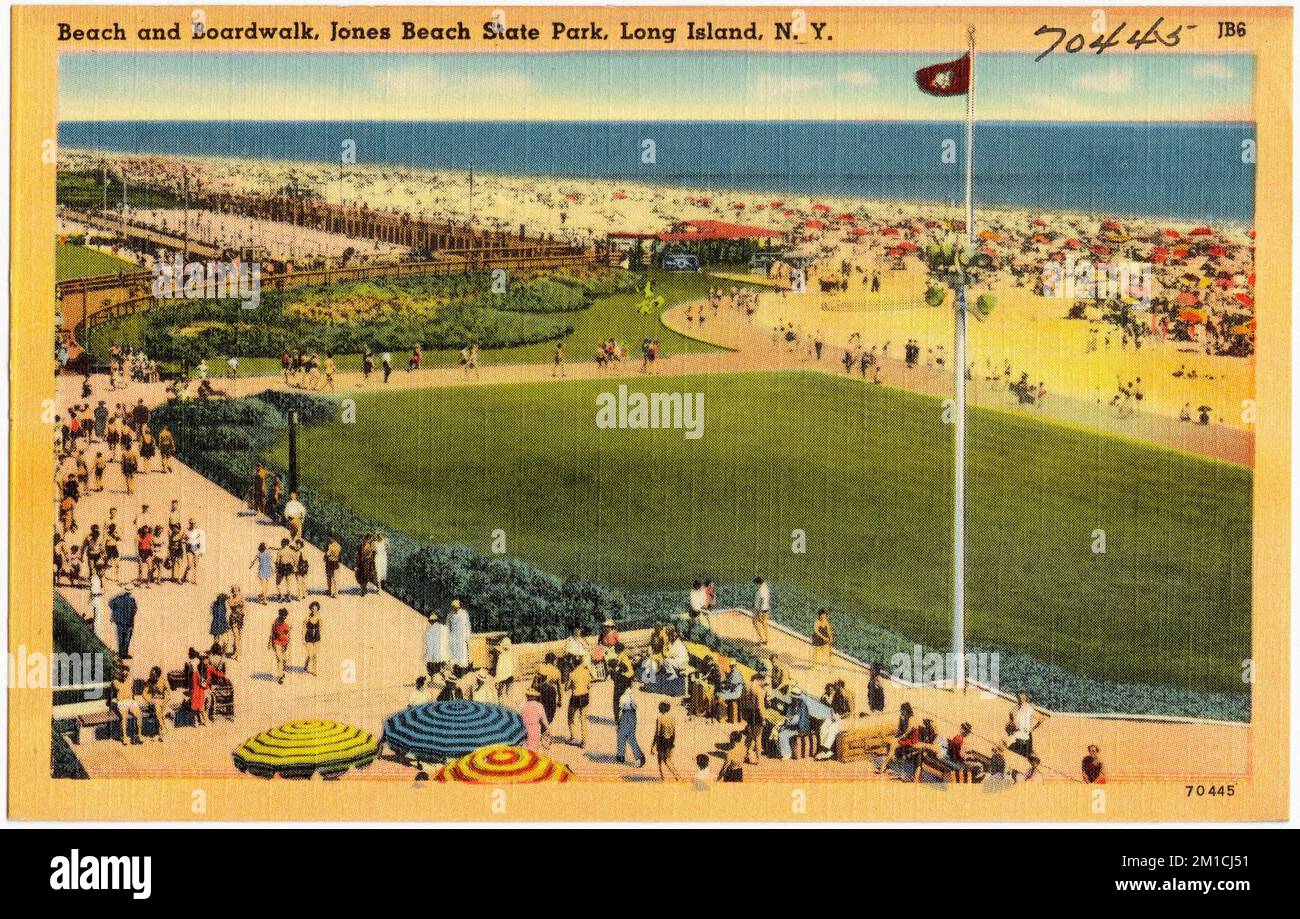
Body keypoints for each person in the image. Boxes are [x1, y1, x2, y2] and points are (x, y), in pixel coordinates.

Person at [111, 666, 145, 745]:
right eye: (123, 672)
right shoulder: (115, 681)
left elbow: (130, 681)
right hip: (122, 702)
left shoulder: (130, 679)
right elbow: (118, 686)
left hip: (131, 701)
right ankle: (125, 736)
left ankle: (139, 735)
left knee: (139, 715)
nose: (124, 674)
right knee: (124, 716)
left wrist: (127, 676)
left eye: (126, 672)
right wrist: (122, 677)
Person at [777, 686, 812, 759]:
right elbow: (787, 717)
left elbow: (803, 720)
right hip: (792, 727)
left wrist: (800, 731)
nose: (794, 700)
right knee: (781, 734)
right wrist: (785, 724)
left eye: (795, 698)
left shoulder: (803, 706)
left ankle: (787, 754)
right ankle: (786, 753)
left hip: (801, 728)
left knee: (784, 734)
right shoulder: (790, 706)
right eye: (793, 698)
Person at [565, 657, 592, 748]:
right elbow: (589, 685)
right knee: (583, 719)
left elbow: (566, 688)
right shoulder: (586, 671)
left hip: (575, 697)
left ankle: (573, 737)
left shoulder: (572, 674)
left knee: (571, 718)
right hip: (585, 696)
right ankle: (584, 742)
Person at [652, 701, 681, 781]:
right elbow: (673, 731)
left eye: (659, 707)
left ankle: (664, 778)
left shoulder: (660, 718)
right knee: (668, 759)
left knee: (661, 761)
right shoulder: (672, 718)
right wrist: (672, 742)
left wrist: (653, 745)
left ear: (662, 709)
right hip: (670, 741)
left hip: (662, 741)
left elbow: (657, 733)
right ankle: (676, 775)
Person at [616, 689, 646, 767]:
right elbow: (635, 707)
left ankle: (621, 755)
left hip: (625, 714)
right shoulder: (632, 693)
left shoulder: (623, 696)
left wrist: (618, 720)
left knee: (622, 735)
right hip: (632, 715)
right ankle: (638, 757)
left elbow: (620, 707)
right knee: (631, 737)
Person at [1009, 692, 1044, 758]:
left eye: (1023, 699)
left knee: (1006, 744)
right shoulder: (1015, 708)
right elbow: (1010, 714)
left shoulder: (1029, 709)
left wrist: (1032, 729)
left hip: (1024, 733)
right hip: (1017, 732)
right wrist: (1013, 724)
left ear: (1025, 699)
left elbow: (1041, 719)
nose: (1021, 700)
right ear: (1017, 698)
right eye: (1019, 698)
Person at [108, 584, 137, 660]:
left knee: (120, 637)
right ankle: (125, 654)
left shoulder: (118, 598)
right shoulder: (132, 600)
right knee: (127, 638)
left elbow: (110, 603)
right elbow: (134, 610)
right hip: (128, 621)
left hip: (119, 621)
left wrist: (115, 611)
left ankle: (121, 653)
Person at [143, 666, 171, 742]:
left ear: (157, 675)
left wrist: (164, 703)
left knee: (157, 708)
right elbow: (144, 694)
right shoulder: (149, 681)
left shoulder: (163, 681)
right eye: (150, 674)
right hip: (154, 702)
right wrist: (149, 701)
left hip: (163, 701)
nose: (150, 676)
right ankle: (162, 730)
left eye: (153, 675)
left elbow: (169, 695)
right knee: (156, 707)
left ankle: (160, 732)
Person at [520, 687, 549, 752]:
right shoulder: (539, 705)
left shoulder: (522, 705)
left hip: (525, 728)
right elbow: (544, 719)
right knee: (534, 748)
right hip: (535, 728)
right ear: (535, 697)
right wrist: (547, 729)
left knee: (526, 747)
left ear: (527, 696)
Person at [423, 612, 448, 677]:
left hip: (432, 655)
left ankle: (434, 679)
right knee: (439, 668)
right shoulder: (442, 628)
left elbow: (426, 642)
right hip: (440, 655)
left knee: (432, 669)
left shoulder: (429, 630)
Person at [447, 599, 470, 668]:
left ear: (459, 606)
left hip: (462, 636)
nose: (455, 608)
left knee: (462, 651)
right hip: (453, 636)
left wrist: (467, 636)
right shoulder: (450, 615)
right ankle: (455, 667)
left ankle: (462, 668)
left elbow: (467, 625)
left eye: (457, 607)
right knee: (454, 652)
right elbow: (448, 626)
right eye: (454, 607)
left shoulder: (464, 613)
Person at [270, 608, 290, 684]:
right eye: (282, 616)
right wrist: (270, 643)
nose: (283, 617)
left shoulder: (287, 623)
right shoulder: (275, 623)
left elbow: (288, 634)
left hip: (284, 643)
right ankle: (280, 676)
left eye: (285, 616)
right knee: (280, 659)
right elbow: (272, 633)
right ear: (279, 615)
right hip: (276, 642)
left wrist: (287, 643)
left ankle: (282, 669)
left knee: (283, 659)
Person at [493, 637, 516, 705]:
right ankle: (504, 701)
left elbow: (499, 668)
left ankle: (503, 701)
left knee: (504, 689)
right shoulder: (506, 655)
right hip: (506, 675)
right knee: (506, 689)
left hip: (505, 675)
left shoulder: (503, 656)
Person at [227, 585, 246, 660]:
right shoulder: (231, 598)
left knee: (238, 636)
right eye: (234, 590)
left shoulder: (240, 596)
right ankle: (236, 653)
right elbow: (230, 604)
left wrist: (234, 602)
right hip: (233, 618)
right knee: (236, 636)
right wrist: (236, 602)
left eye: (237, 590)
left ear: (239, 590)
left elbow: (237, 603)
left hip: (240, 618)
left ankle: (236, 651)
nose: (235, 591)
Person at [303, 602, 322, 676]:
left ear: (318, 610)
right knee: (310, 654)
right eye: (312, 609)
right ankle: (306, 665)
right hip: (308, 638)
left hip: (316, 638)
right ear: (310, 609)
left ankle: (314, 670)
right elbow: (303, 628)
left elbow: (320, 628)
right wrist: (303, 639)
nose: (314, 610)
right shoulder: (307, 618)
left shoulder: (319, 618)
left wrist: (320, 638)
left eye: (315, 609)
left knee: (315, 655)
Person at [751, 575, 771, 645]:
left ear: (759, 583)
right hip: (766, 609)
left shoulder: (761, 590)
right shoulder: (766, 588)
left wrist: (759, 612)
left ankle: (760, 639)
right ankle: (766, 639)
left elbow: (762, 601)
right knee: (764, 623)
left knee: (754, 622)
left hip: (760, 610)